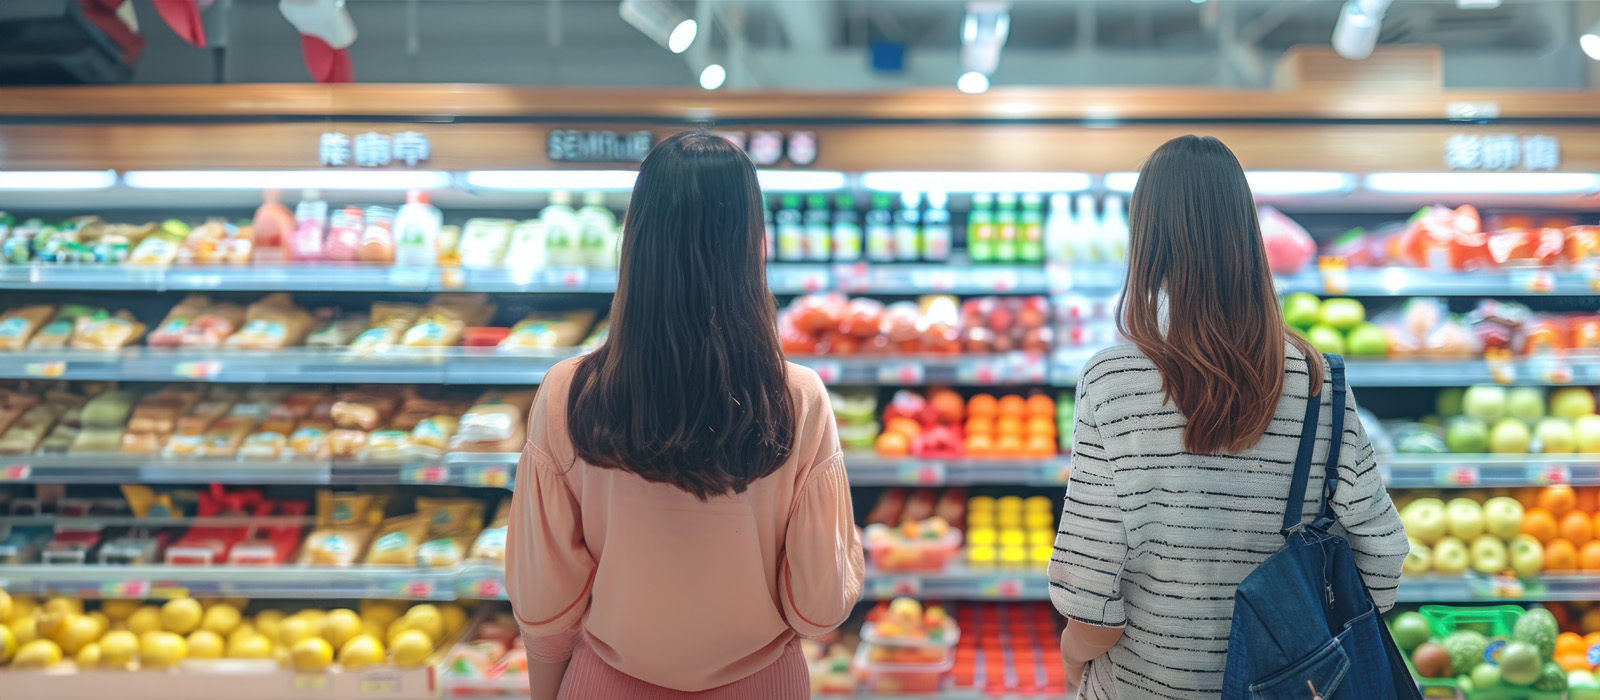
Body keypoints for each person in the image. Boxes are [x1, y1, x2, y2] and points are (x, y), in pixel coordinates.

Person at [506, 131, 864, 699]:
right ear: (752, 244)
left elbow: (544, 606)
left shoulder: (566, 393)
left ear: (637, 240)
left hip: (608, 682)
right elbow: (820, 606)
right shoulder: (798, 397)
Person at [1048, 135, 1409, 699]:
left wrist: (1073, 666)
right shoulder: (1319, 381)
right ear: (1247, 235)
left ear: (1146, 240)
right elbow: (1383, 556)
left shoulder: (1112, 382)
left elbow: (1093, 602)